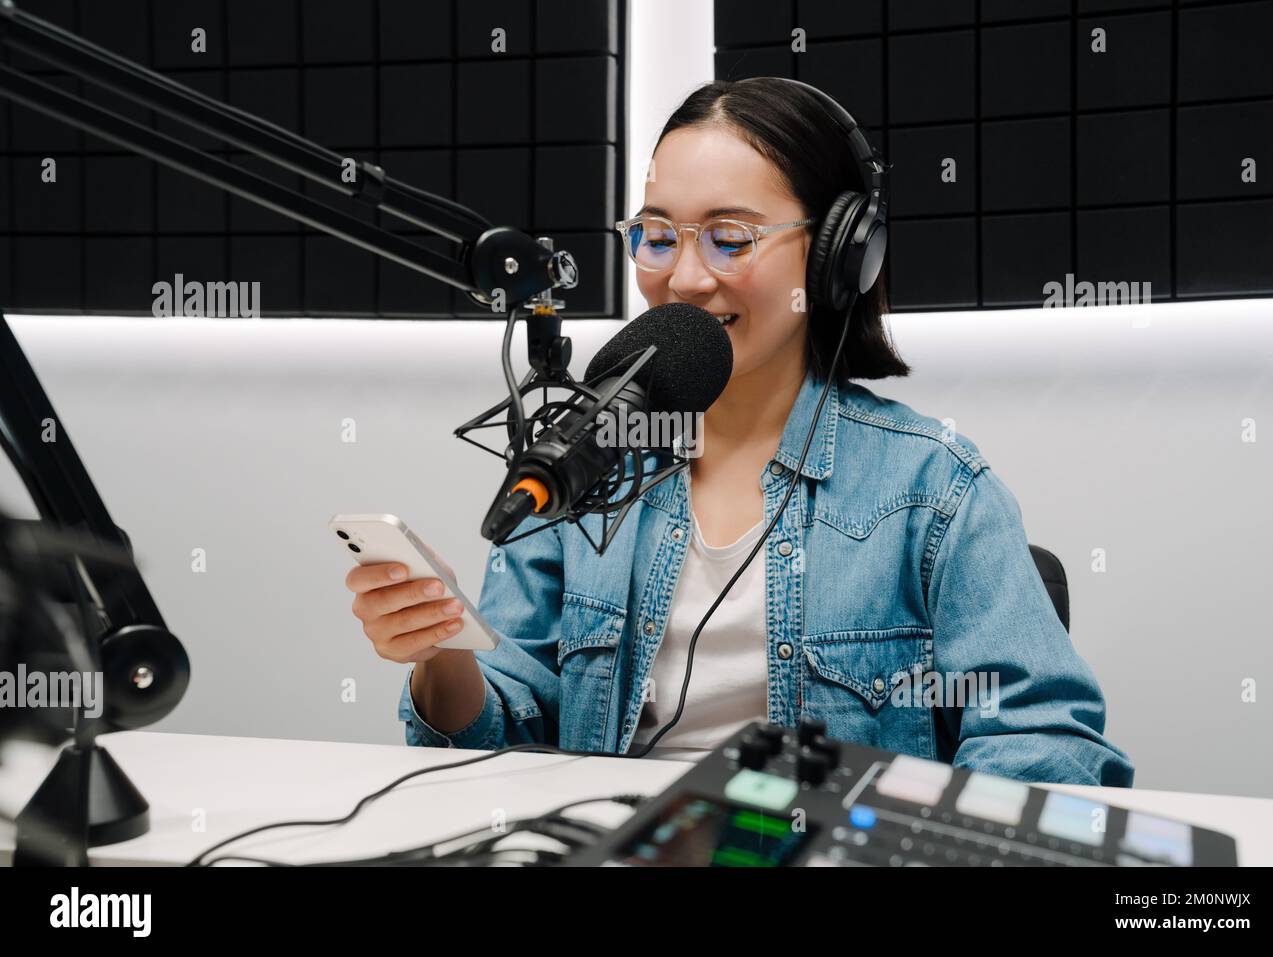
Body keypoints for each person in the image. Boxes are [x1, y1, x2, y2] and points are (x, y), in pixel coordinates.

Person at [345, 78, 1134, 786]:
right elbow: (503, 730)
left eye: (731, 237)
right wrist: (440, 648)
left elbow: (1045, 747)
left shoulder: (937, 491)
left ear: (837, 258)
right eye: (657, 234)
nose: (685, 278)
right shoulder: (578, 465)